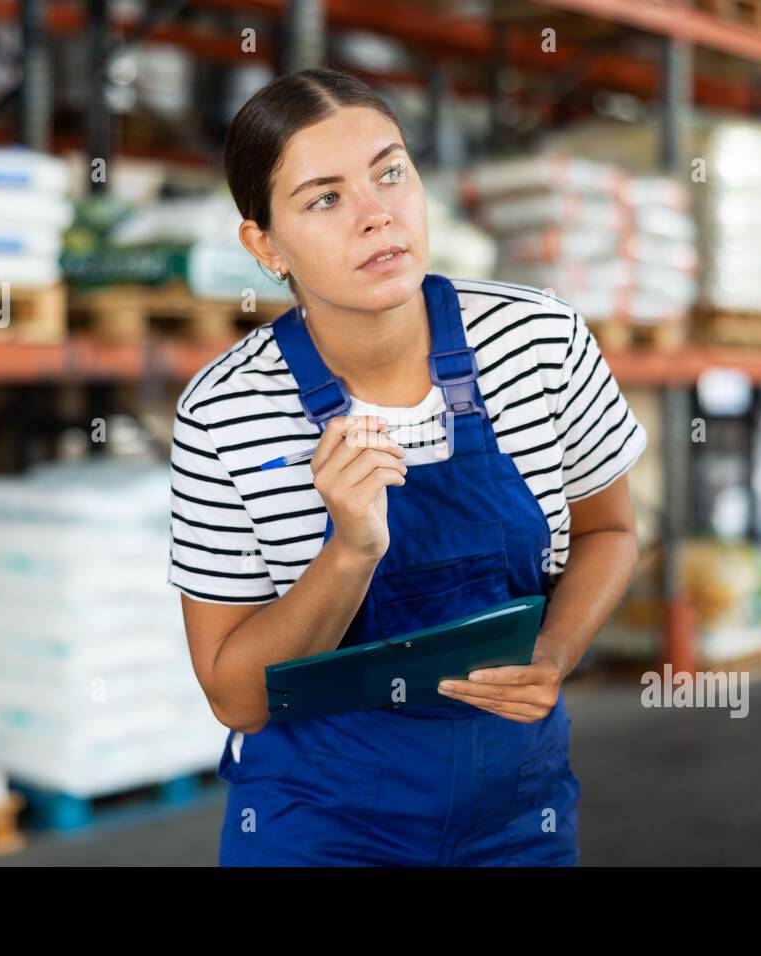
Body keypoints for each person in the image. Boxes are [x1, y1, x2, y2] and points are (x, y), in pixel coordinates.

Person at [170, 68, 644, 866]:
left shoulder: (540, 342)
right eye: (324, 198)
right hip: (321, 825)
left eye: (391, 173)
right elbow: (237, 696)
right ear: (264, 245)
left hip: (517, 821)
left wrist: (554, 651)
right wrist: (349, 553)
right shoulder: (226, 413)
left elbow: (612, 528)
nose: (377, 214)